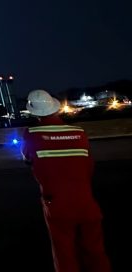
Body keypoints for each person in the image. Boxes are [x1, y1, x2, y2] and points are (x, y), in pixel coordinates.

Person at [21, 89, 111, 272]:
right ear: (55, 108)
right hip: (86, 200)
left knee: (64, 252)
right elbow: (88, 166)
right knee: (96, 251)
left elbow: (27, 159)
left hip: (57, 203)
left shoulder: (31, 133)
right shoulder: (79, 132)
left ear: (34, 112)